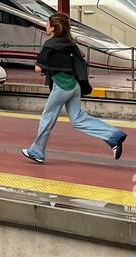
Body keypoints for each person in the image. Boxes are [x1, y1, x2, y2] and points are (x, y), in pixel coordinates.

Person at [22, 12, 127, 165]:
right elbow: (81, 54)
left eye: (47, 23)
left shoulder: (50, 44)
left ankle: (36, 151)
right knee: (77, 119)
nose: (45, 25)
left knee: (47, 117)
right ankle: (113, 135)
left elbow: (38, 68)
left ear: (54, 27)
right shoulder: (69, 42)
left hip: (61, 86)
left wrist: (47, 64)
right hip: (74, 85)